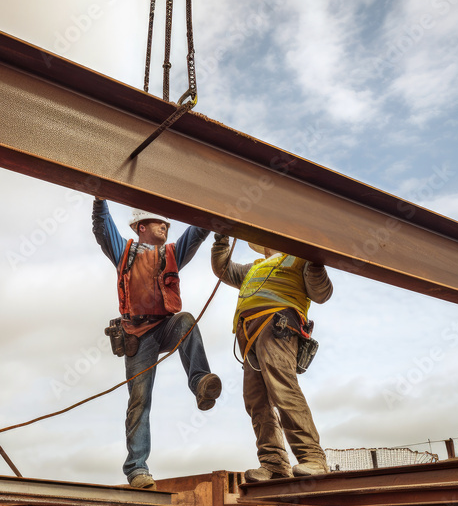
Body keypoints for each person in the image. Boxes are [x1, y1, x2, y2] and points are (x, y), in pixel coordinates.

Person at [93, 198, 220, 489]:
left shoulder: (172, 253)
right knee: (140, 400)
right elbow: (103, 228)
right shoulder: (123, 251)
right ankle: (137, 469)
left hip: (165, 326)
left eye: (167, 223)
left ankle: (201, 385)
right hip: (138, 334)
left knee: (186, 320)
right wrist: (99, 198)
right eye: (159, 222)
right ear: (142, 227)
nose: (165, 225)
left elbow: (198, 231)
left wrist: (217, 207)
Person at [211, 233, 333, 482]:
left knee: (283, 388)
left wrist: (316, 262)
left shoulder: (300, 261)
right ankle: (273, 463)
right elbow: (223, 269)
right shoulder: (253, 268)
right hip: (249, 336)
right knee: (256, 400)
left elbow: (321, 293)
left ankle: (312, 457)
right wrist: (221, 241)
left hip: (279, 326)